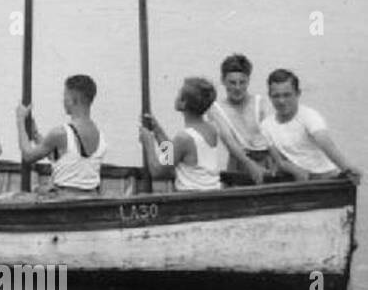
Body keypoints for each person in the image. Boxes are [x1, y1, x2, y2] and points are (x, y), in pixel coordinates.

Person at [261, 69, 360, 183]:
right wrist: (295, 170)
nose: (281, 101)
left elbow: (325, 142)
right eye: (276, 96)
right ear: (269, 96)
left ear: (298, 93)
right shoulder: (266, 125)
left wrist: (347, 169)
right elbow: (279, 160)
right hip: (297, 180)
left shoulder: (310, 116)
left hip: (327, 178)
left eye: (287, 95)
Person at [17, 74, 107, 196]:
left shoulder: (60, 133)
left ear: (74, 99)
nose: (63, 100)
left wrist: (20, 120)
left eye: (65, 96)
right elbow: (66, 158)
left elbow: (28, 156)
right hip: (91, 197)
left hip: (64, 201)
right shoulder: (100, 135)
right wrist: (36, 134)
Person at [140, 77, 222, 191]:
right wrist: (158, 131)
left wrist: (148, 143)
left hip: (191, 196)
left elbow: (157, 171)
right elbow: (174, 155)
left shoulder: (184, 138)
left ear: (184, 103)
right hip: (212, 194)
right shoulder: (211, 130)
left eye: (179, 93)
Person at [206, 53, 270, 183]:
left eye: (242, 82)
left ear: (248, 80)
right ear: (223, 81)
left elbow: (271, 136)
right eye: (232, 83)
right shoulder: (216, 109)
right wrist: (250, 165)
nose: (237, 88)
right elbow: (228, 140)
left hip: (266, 164)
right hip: (238, 167)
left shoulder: (259, 102)